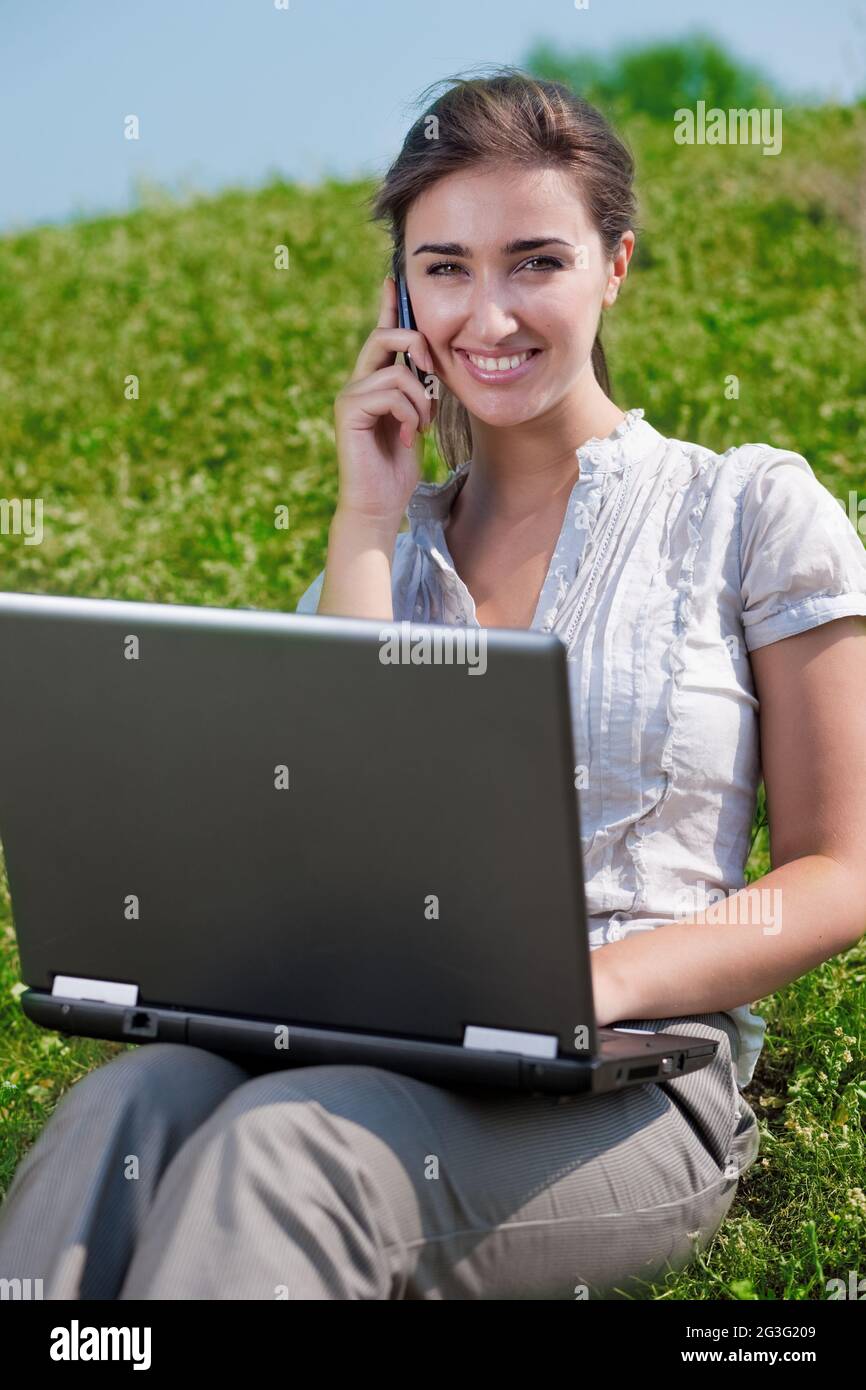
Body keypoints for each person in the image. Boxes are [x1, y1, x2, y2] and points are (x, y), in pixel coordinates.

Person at [2, 68, 866, 1302]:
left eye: (534, 261)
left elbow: (838, 873)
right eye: (445, 267)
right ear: (401, 290)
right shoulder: (383, 551)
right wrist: (364, 518)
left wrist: (591, 984)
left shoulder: (746, 510)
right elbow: (321, 834)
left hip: (624, 1084)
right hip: (366, 1041)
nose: (489, 313)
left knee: (284, 1151)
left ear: (612, 265)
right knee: (127, 1102)